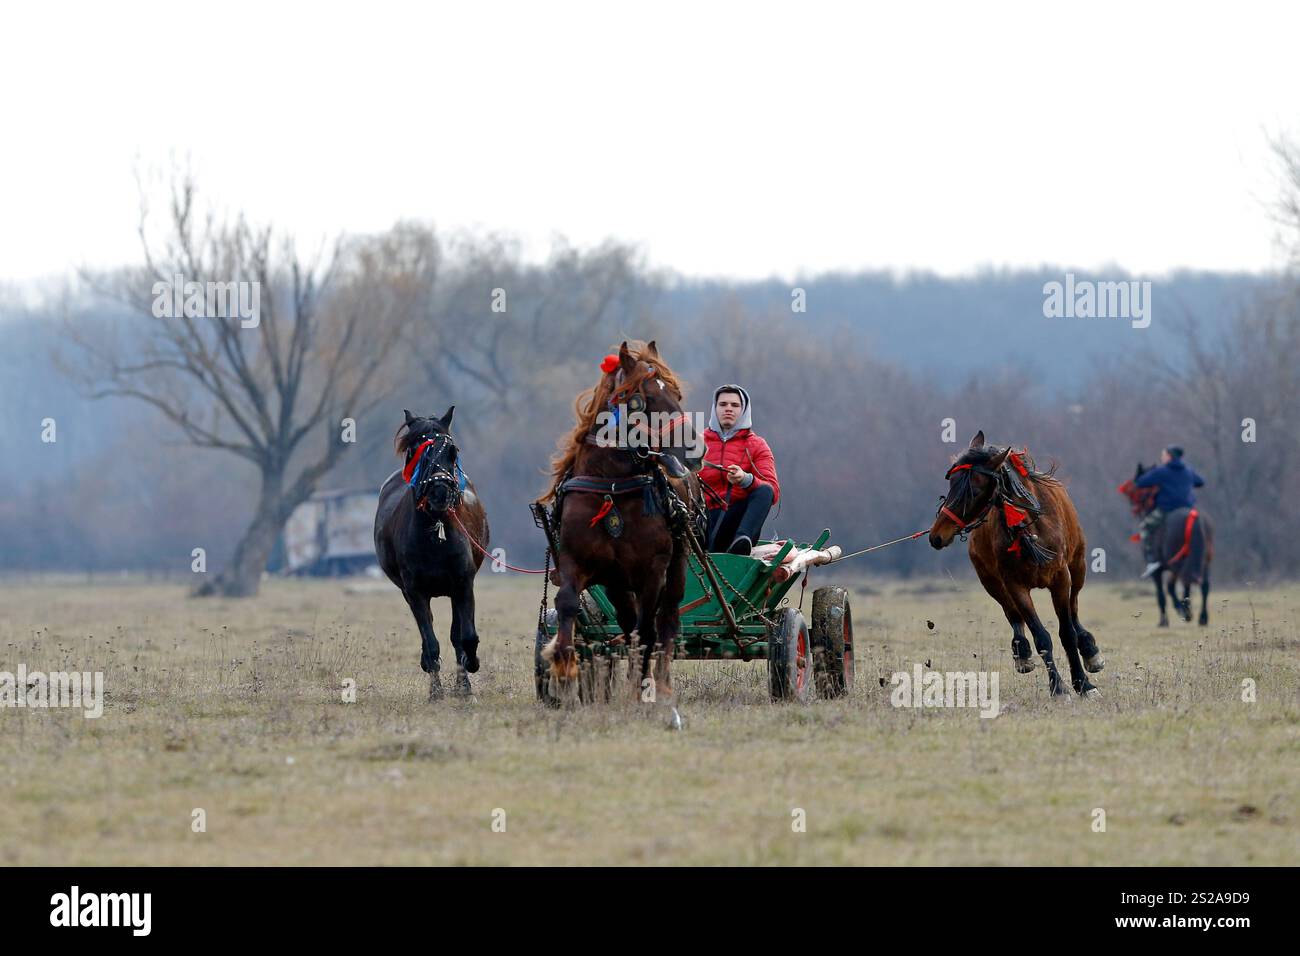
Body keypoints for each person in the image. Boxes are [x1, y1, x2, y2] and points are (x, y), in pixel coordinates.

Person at [700, 384, 779, 555]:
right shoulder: (696, 443)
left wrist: (745, 480)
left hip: (735, 522)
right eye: (723, 404)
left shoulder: (757, 445)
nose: (728, 409)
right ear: (715, 409)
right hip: (700, 521)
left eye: (735, 405)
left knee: (765, 490)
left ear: (744, 410)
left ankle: (741, 542)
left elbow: (773, 491)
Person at [1134, 445, 1205, 579]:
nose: (1162, 457)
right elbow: (1201, 481)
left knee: (1145, 527)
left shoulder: (1162, 471)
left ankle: (1152, 560)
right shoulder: (1188, 471)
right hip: (1189, 509)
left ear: (1169, 456)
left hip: (1167, 509)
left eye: (1163, 455)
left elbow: (1140, 483)